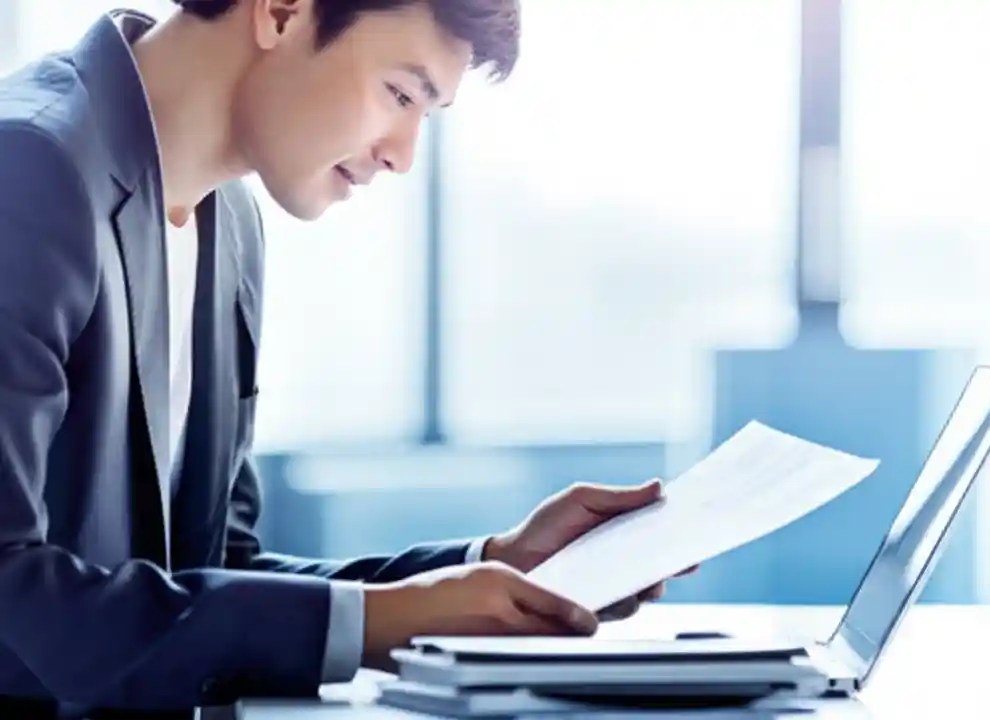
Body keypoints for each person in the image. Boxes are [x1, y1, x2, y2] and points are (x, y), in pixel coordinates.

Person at [0, 1, 689, 715]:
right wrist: (380, 624)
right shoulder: (27, 167)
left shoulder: (229, 222)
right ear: (281, 11)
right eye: (399, 94)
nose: (401, 153)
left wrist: (490, 568)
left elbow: (211, 575)